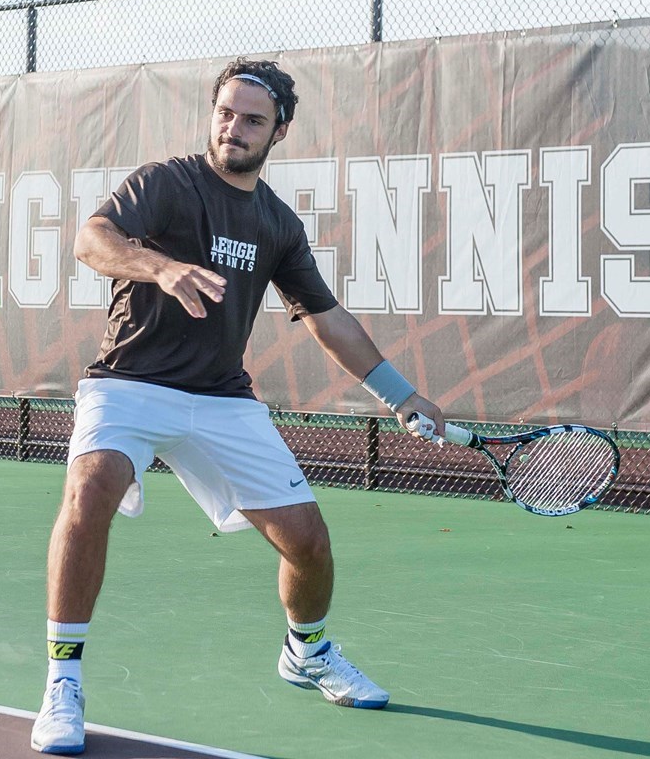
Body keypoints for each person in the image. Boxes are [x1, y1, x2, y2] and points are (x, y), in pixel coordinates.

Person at [31, 58, 444, 755]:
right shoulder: (165, 183)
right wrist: (158, 265)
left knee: (308, 543)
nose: (234, 128)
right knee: (88, 490)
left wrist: (402, 397)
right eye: (225, 113)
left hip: (221, 397)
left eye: (252, 120)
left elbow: (326, 316)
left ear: (278, 131)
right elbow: (91, 241)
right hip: (128, 382)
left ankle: (305, 652)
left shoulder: (277, 225)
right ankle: (61, 683)